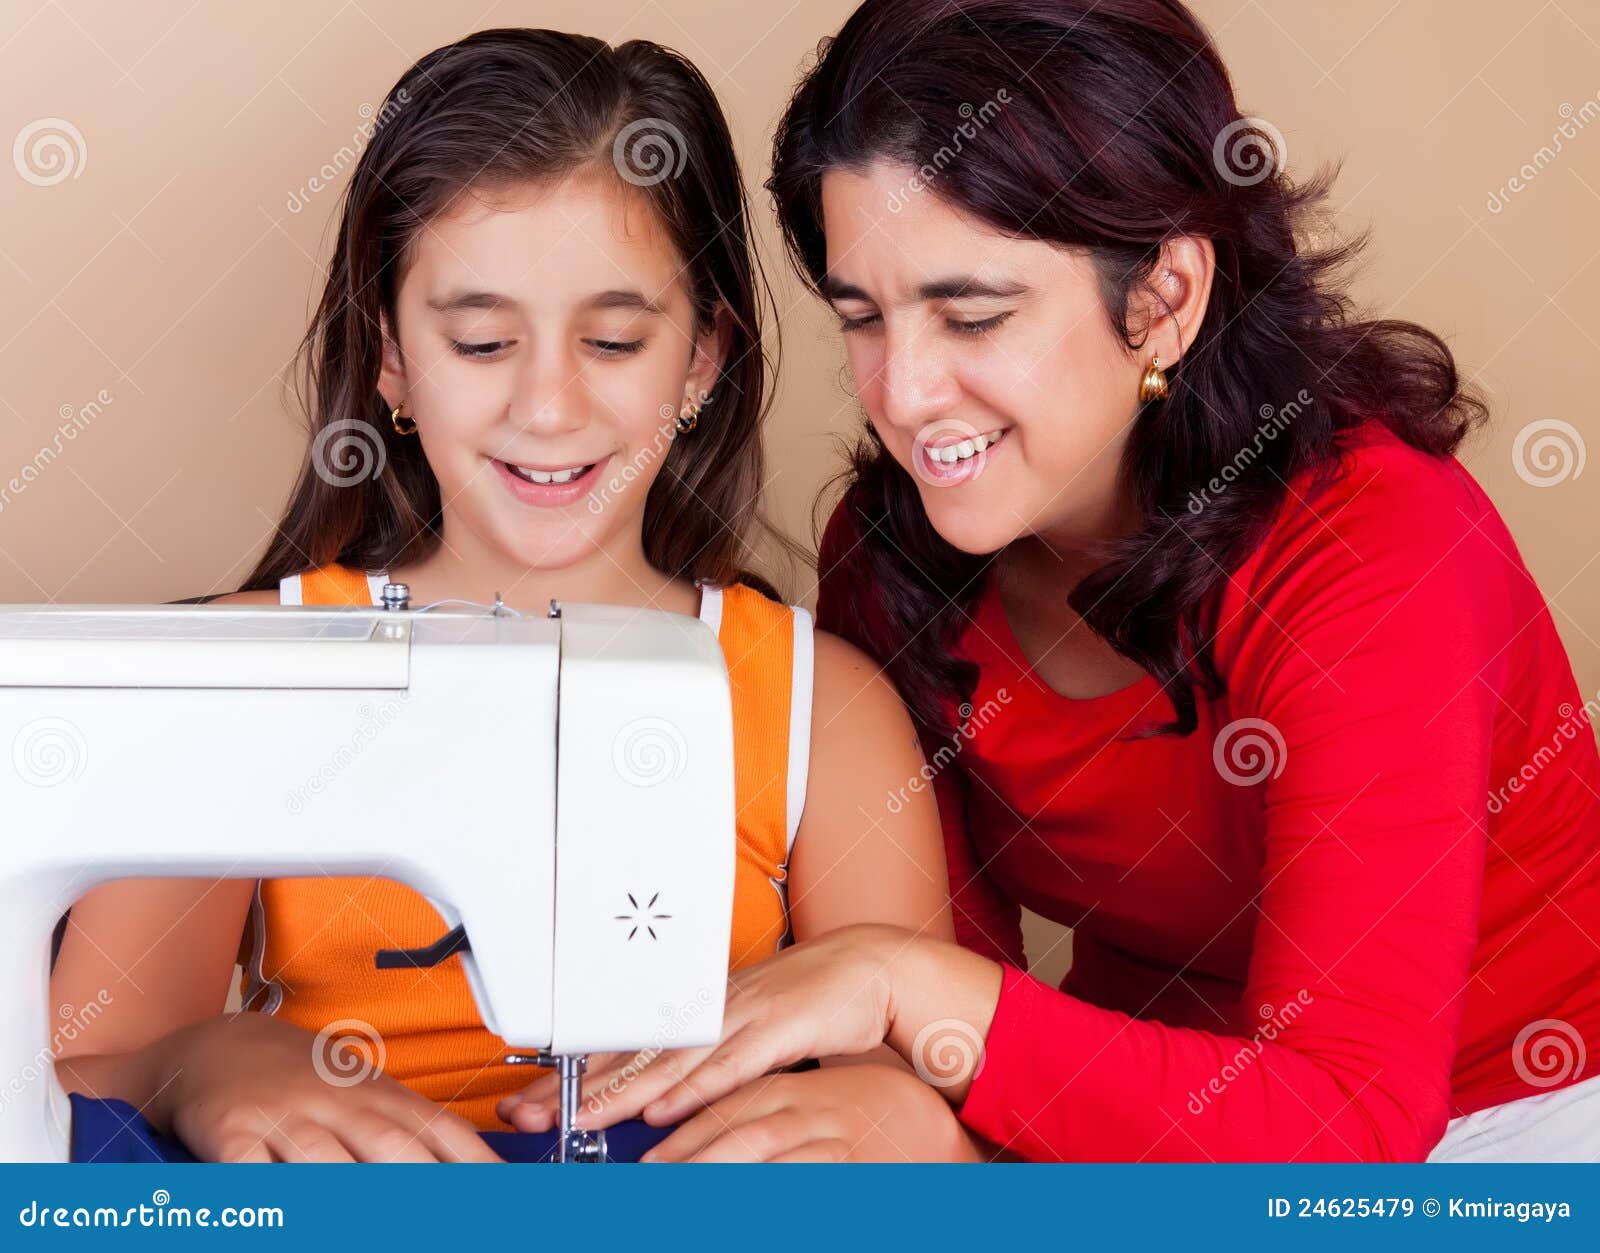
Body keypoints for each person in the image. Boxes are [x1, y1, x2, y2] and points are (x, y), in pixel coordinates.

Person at [551, 0, 1600, 1163]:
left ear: (1161, 300)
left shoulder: (1375, 548)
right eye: (865, 318)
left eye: (972, 313)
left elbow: (1345, 1120)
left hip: (1501, 1120)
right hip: (1141, 1122)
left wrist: (905, 990)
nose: (900, 394)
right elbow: (961, 1006)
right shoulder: (895, 550)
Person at [52, 27, 966, 1164]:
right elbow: (79, 1072)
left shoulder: (818, 712)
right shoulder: (242, 679)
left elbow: (909, 1076)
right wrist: (208, 1060)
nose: (547, 405)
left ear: (699, 360)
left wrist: (899, 1115)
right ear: (388, 351)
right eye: (481, 340)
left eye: (616, 339)